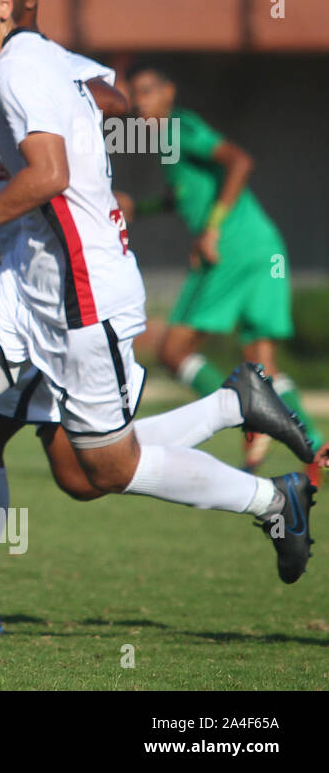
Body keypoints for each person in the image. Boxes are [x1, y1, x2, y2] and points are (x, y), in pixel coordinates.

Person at [0, 0, 323, 632]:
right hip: (19, 289)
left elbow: (53, 171)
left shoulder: (29, 69)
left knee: (99, 470)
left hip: (80, 294)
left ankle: (269, 494)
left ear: (13, 0)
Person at [123, 63, 323, 485]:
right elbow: (184, 195)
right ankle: (318, 447)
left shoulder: (179, 127)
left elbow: (239, 161)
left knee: (173, 350)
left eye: (146, 91)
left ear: (168, 92)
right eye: (133, 94)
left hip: (232, 249)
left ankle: (247, 413)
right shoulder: (167, 144)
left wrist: (212, 227)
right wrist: (140, 209)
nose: (139, 102)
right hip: (264, 246)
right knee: (263, 368)